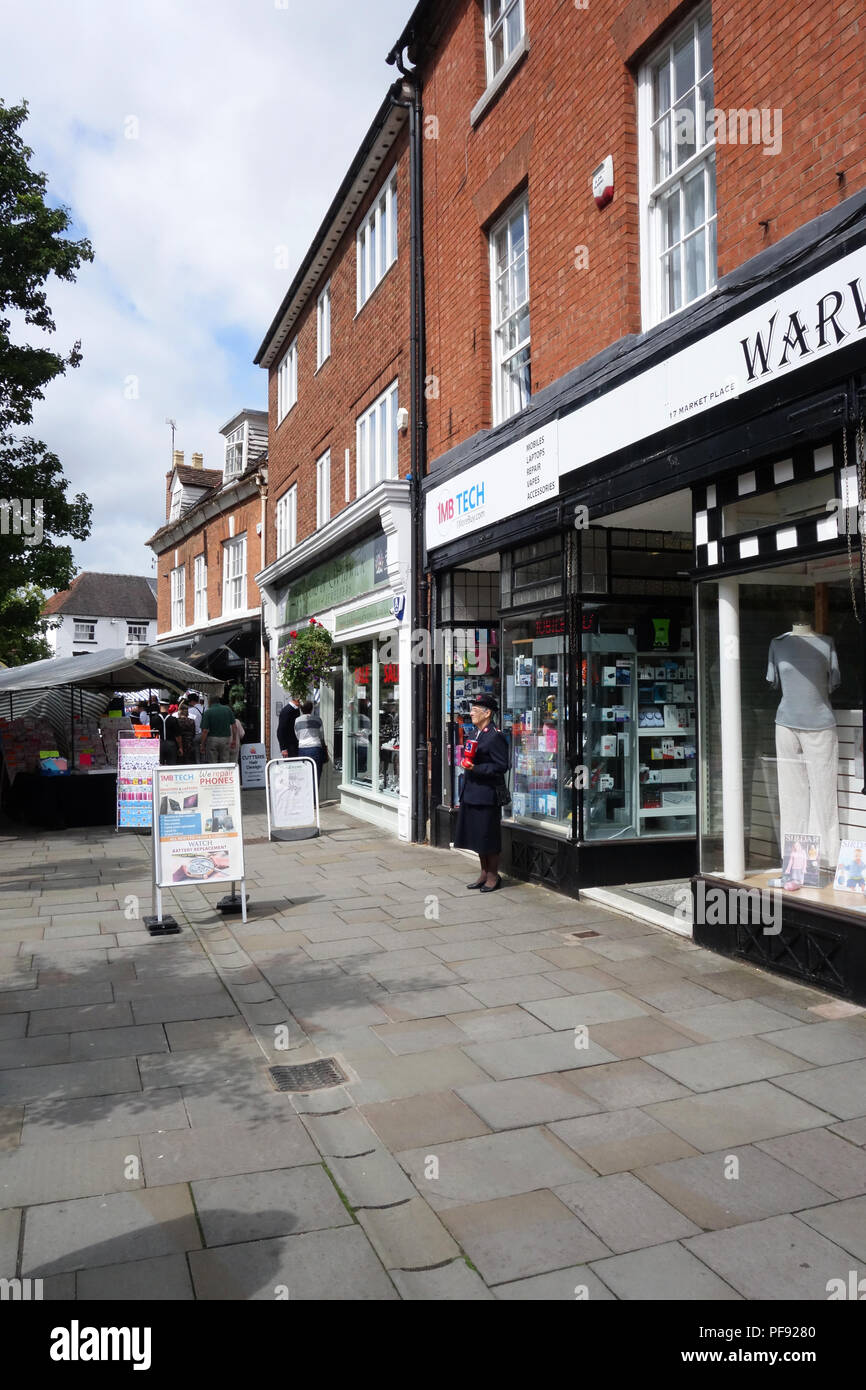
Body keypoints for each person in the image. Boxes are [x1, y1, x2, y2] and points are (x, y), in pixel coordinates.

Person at [454, 694, 510, 893]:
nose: (471, 713)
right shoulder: (475, 733)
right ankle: (484, 873)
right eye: (472, 709)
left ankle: (494, 875)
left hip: (487, 794)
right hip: (472, 792)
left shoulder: (495, 735)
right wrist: (466, 763)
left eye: (475, 710)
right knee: (478, 836)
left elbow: (502, 766)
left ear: (488, 713)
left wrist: (475, 768)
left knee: (488, 836)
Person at [294, 699, 326, 782]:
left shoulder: (297, 720)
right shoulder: (318, 719)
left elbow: (297, 735)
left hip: (302, 749)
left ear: (301, 709)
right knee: (316, 775)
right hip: (315, 748)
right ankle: (315, 794)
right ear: (311, 709)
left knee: (304, 776)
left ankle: (307, 794)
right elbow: (321, 735)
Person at [200, 692, 234, 763]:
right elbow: (234, 726)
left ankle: (215, 773)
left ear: (210, 702)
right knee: (225, 760)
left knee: (212, 761)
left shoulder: (208, 712)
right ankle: (224, 773)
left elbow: (205, 730)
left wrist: (202, 744)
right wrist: (234, 740)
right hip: (225, 738)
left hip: (212, 739)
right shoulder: (227, 710)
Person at [186, 692, 203, 760]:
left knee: (196, 752)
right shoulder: (205, 708)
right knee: (204, 751)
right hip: (205, 734)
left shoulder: (190, 711)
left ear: (192, 701)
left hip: (195, 735)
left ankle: (198, 764)